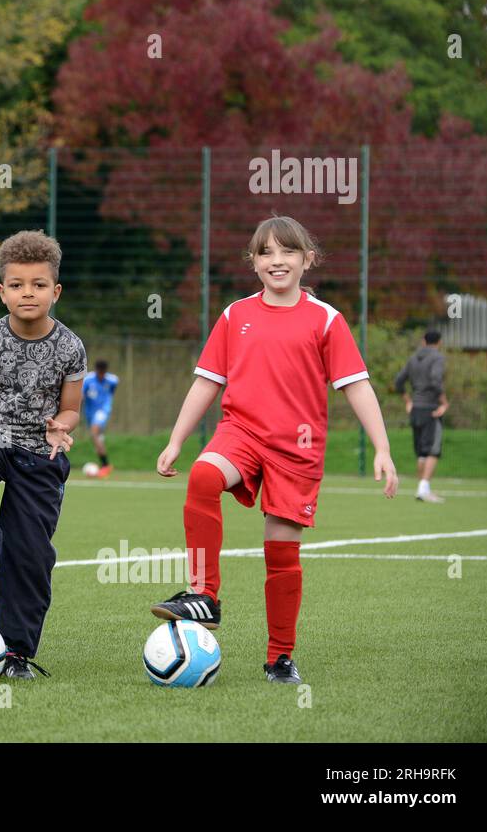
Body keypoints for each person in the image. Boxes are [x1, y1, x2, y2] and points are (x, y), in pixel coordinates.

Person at [152, 216, 396, 686]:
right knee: (203, 476)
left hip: (296, 448)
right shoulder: (235, 315)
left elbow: (357, 386)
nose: (276, 261)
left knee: (280, 552)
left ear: (308, 260)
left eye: (287, 252)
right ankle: (205, 593)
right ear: (254, 263)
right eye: (265, 253)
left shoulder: (326, 319)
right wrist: (177, 439)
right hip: (241, 430)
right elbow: (207, 381)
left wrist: (382, 447)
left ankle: (279, 658)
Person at [0, 231, 85, 679]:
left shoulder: (70, 346)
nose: (29, 293)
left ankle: (15, 653)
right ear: (2, 293)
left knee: (30, 553)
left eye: (39, 285)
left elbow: (71, 407)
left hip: (39, 452)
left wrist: (63, 426)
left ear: (55, 291)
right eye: (19, 285)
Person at [395, 330, 448, 503]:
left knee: (421, 453)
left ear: (423, 341)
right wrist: (444, 403)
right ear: (439, 342)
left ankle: (422, 489)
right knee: (433, 449)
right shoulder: (437, 357)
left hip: (416, 409)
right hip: (431, 409)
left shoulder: (413, 358)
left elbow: (398, 382)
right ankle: (423, 489)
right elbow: (435, 380)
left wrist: (408, 401)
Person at [82, 360, 118, 477]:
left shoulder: (112, 380)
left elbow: (111, 392)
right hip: (89, 412)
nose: (101, 375)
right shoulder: (88, 380)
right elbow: (81, 395)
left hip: (103, 410)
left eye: (103, 373)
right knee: (96, 438)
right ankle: (104, 463)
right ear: (96, 370)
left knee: (94, 432)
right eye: (99, 372)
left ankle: (106, 465)